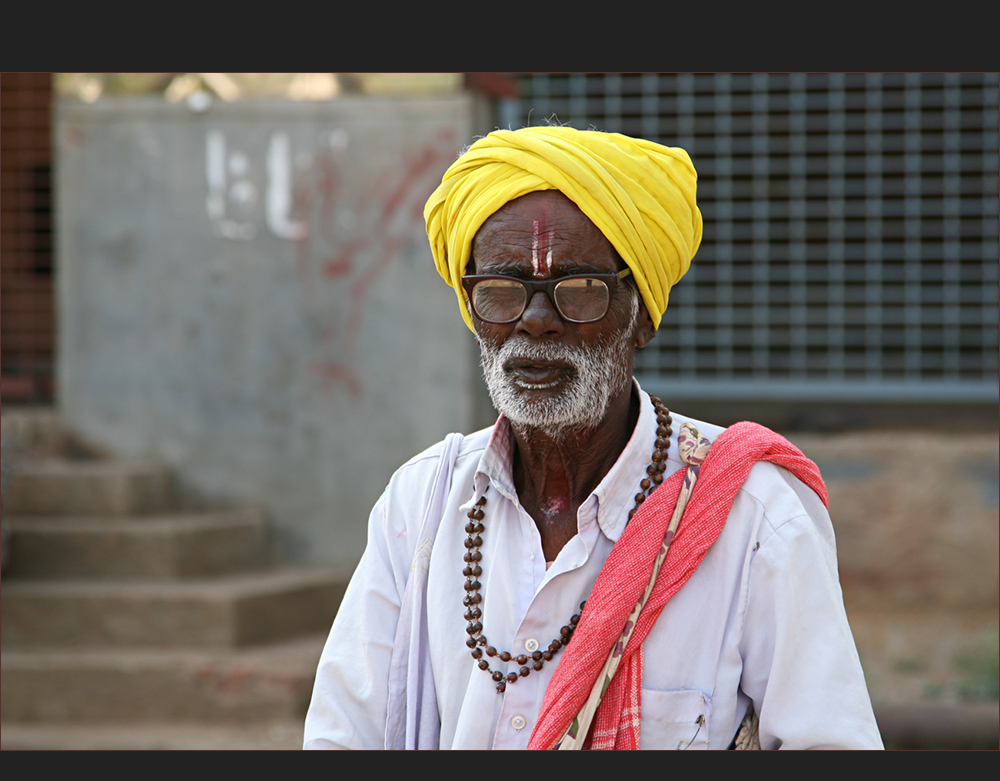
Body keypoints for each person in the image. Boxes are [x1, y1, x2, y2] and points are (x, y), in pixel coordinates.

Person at [303, 126, 883, 750]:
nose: (536, 321)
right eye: (500, 290)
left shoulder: (752, 517)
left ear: (641, 317)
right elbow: (343, 735)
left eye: (579, 290)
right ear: (473, 310)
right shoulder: (418, 506)